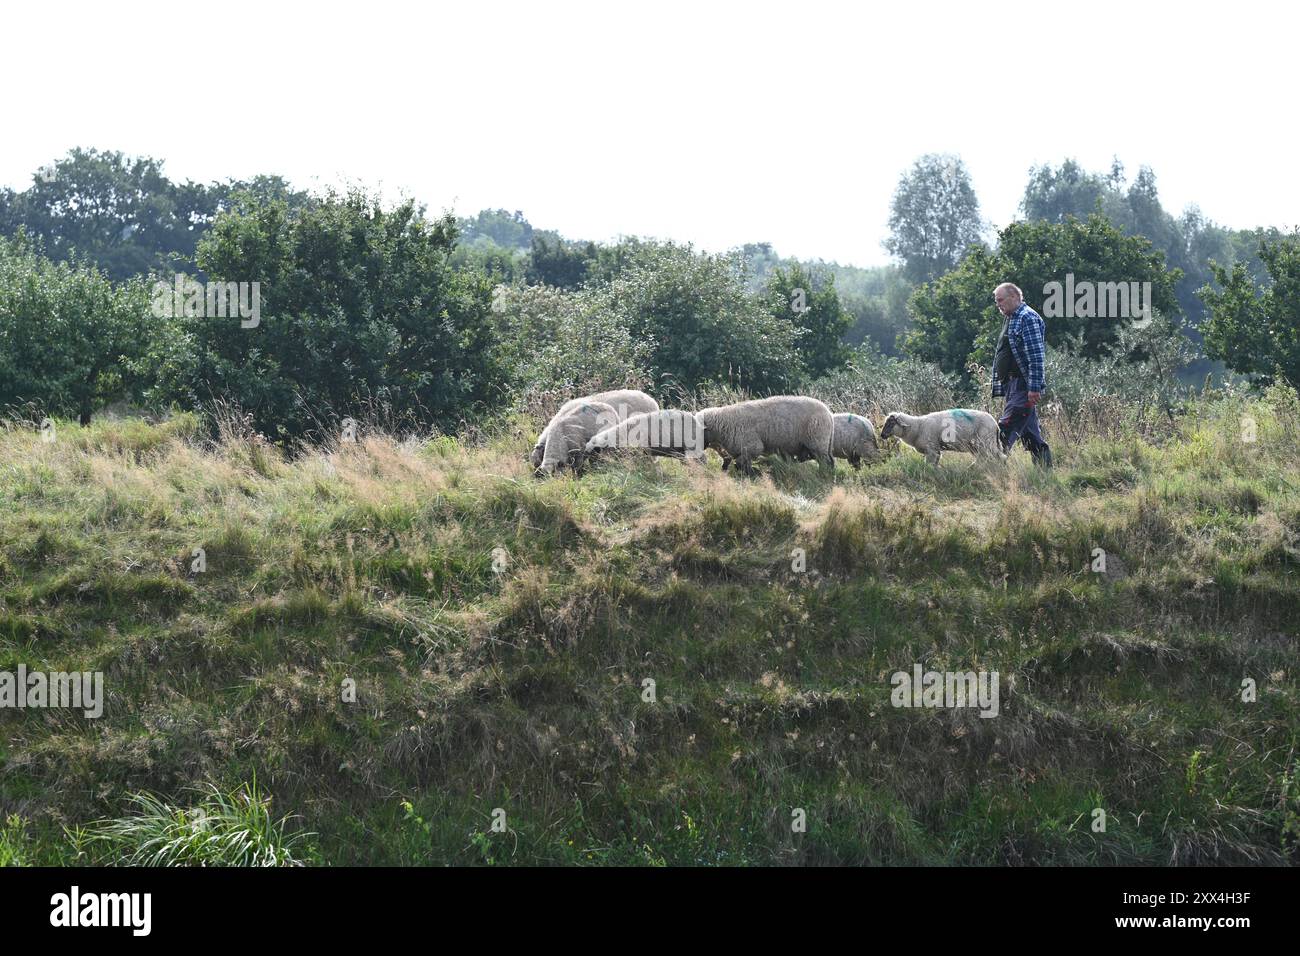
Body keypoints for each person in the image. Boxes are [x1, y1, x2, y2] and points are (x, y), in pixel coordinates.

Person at [991, 282, 1051, 467]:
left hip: (1023, 386)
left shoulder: (1027, 318)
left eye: (1000, 300)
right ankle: (1045, 475)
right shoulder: (1011, 318)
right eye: (996, 301)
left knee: (1006, 427)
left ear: (1014, 297)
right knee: (1031, 435)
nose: (998, 304)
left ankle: (992, 471)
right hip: (1013, 385)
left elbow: (1036, 357)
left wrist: (1033, 388)